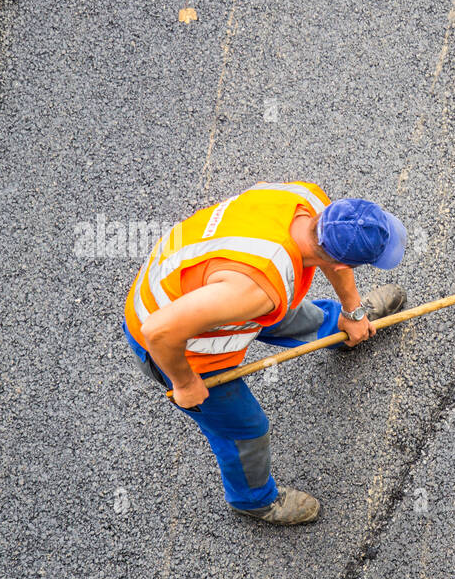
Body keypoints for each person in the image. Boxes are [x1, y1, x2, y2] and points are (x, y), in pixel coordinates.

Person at [121, 181, 406, 524]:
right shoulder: (258, 289)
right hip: (176, 343)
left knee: (287, 309)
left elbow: (334, 261)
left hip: (209, 287)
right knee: (246, 427)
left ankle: (342, 331)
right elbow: (160, 332)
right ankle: (252, 499)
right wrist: (184, 383)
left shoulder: (307, 201)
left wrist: (353, 311)